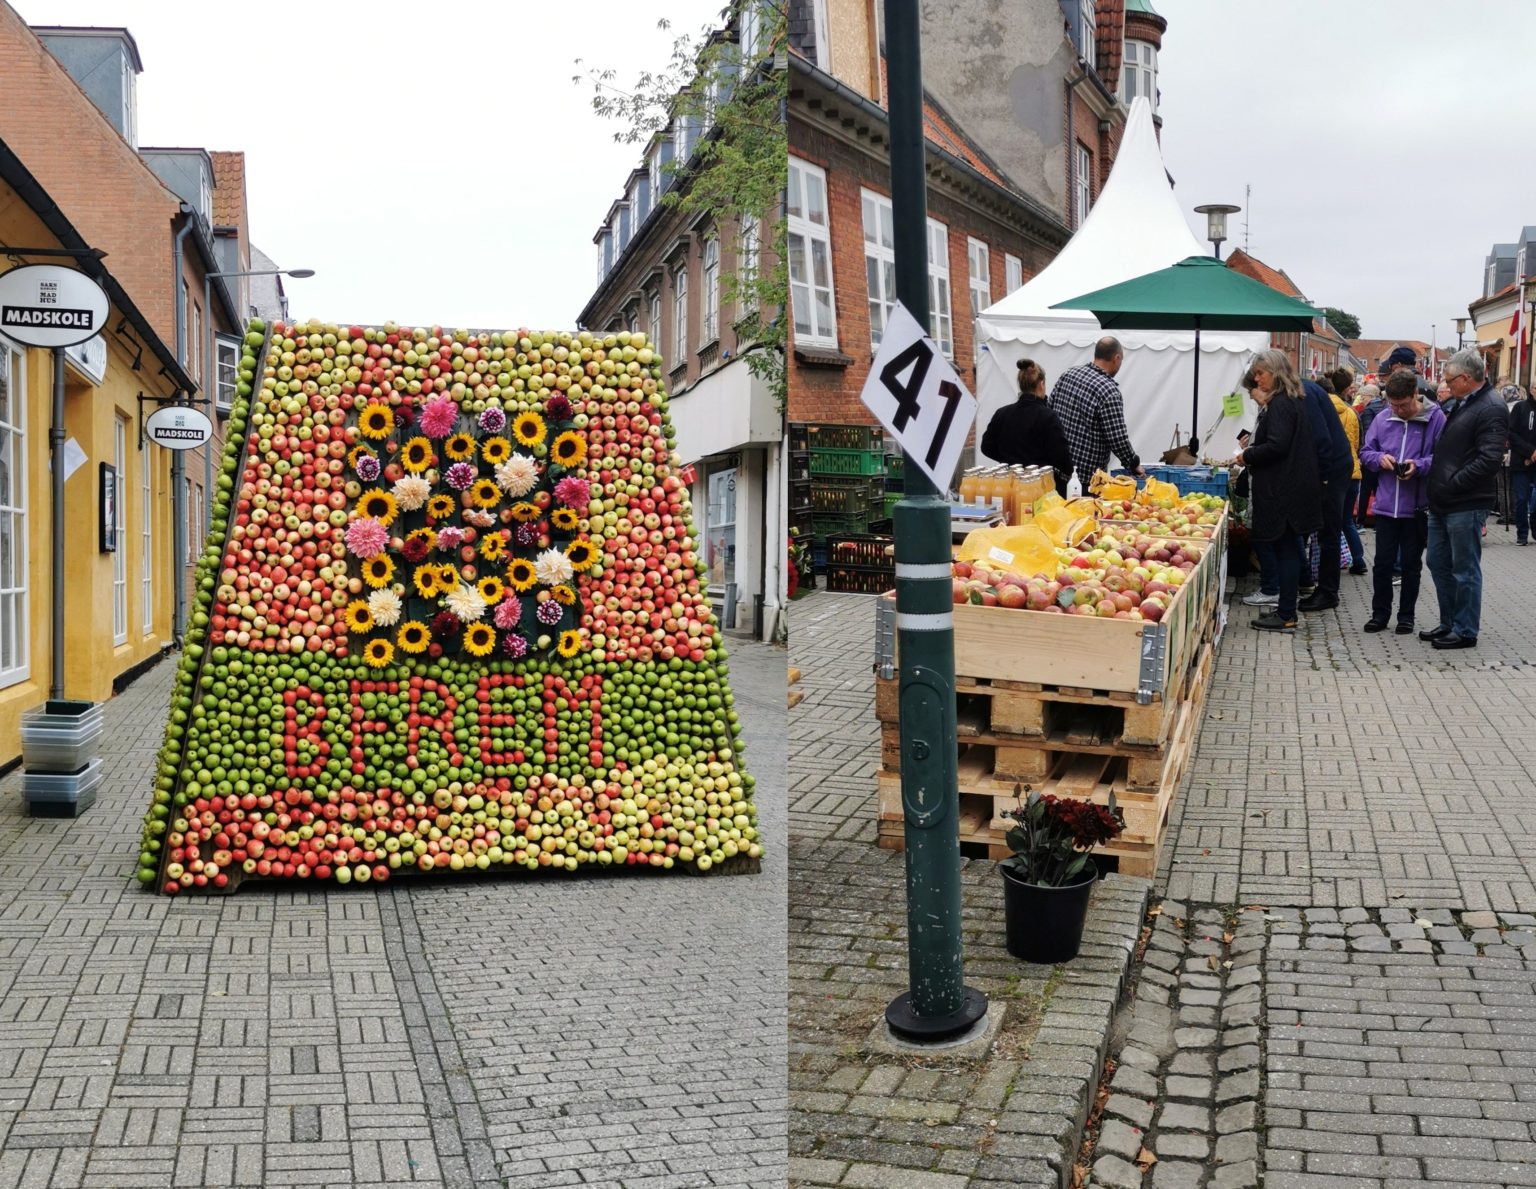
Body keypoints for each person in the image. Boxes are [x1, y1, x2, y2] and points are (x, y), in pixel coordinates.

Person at [1422, 350, 1506, 649]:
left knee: (1465, 568)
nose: (1444, 385)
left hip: (1466, 502)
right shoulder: (1463, 403)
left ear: (1465, 378)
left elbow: (1489, 459)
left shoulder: (1491, 406)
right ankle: (1449, 623)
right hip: (1444, 501)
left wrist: (1452, 484)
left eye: (1448, 380)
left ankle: (1465, 630)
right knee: (1437, 561)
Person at [1237, 350, 1321, 631]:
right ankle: (1286, 610)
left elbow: (1277, 446)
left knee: (1286, 551)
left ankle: (1286, 613)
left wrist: (1249, 455)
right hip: (1292, 487)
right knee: (1288, 550)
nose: (1257, 379)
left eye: (1260, 373)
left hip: (1285, 490)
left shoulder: (1282, 404)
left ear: (1275, 373)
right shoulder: (1292, 401)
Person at [1358, 372, 1444, 634]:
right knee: (1382, 563)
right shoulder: (1384, 418)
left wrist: (1417, 466)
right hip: (1385, 506)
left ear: (1415, 395)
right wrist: (1380, 459)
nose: (1398, 410)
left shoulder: (1435, 418)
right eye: (1393, 405)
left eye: (1403, 405)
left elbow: (1442, 458)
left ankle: (1406, 616)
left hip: (1416, 508)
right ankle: (1379, 614)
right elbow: (1365, 452)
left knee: (1411, 565)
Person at [1049, 336, 1143, 490]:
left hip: (1057, 471)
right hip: (1087, 479)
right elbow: (1117, 439)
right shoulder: (1109, 391)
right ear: (1116, 358)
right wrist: (1133, 463)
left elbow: (1050, 412)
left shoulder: (1068, 374)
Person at [1297, 373, 1354, 612]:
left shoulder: (1305, 395)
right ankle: (1322, 588)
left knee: (1328, 532)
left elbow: (1321, 439)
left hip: (1333, 471)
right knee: (1325, 532)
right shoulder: (1306, 391)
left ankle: (1328, 592)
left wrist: (1322, 478)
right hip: (1334, 468)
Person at [981, 359, 1075, 496]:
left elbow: (986, 447)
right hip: (1040, 488)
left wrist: (1008, 461)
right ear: (1042, 384)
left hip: (1008, 486)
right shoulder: (1048, 416)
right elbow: (1062, 457)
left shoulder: (1002, 413)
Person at [1321, 373, 1367, 574]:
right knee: (1347, 520)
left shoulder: (1322, 411)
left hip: (1333, 473)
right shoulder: (1351, 412)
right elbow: (1357, 443)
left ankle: (1330, 563)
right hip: (1353, 471)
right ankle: (1359, 560)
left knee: (1329, 521)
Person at [1354, 381, 1386, 523]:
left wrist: (1364, 454)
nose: (1361, 399)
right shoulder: (1385, 407)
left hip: (1372, 455)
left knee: (1366, 489)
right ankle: (1379, 518)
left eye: (1363, 396)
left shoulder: (1368, 411)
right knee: (1379, 488)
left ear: (1370, 396)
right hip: (1385, 454)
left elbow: (1368, 434)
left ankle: (1361, 519)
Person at [1508, 384, 1536, 543]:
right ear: (1532, 389)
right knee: (1521, 498)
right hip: (1521, 461)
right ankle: (1522, 533)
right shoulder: (1520, 408)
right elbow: (1511, 434)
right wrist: (1530, 452)